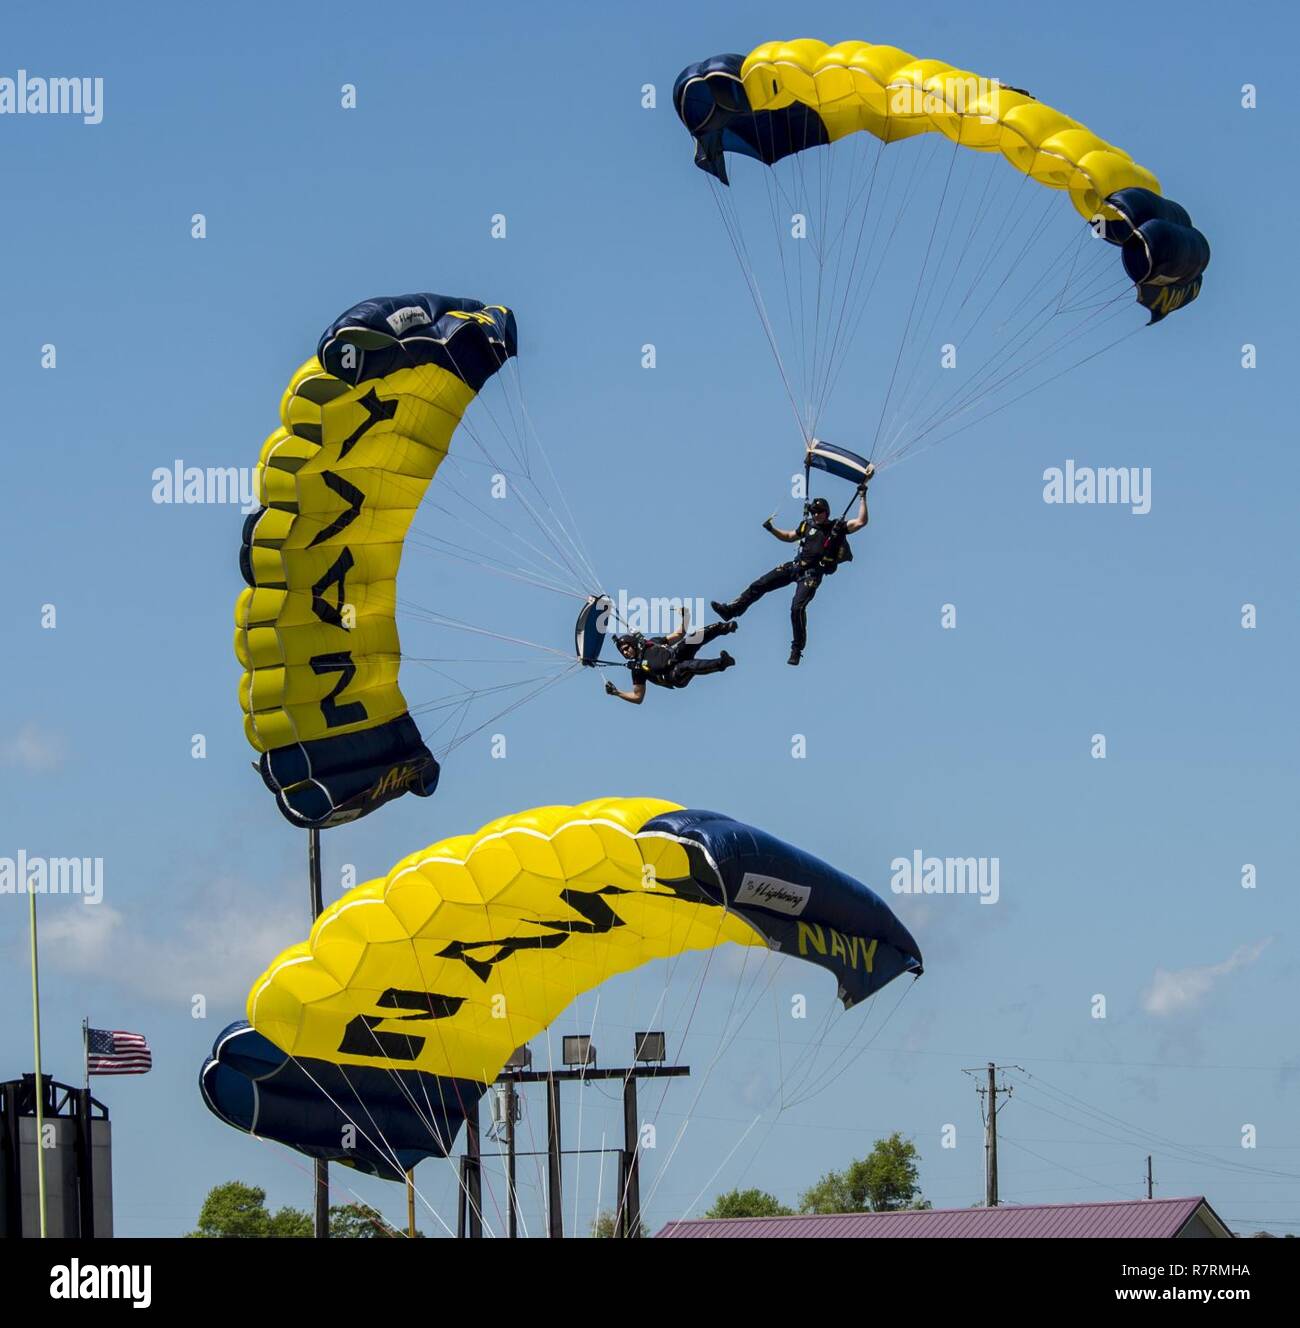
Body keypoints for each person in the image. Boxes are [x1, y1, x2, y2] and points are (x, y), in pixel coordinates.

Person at [711, 465, 873, 666]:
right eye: (813, 512)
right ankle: (731, 610)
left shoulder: (837, 527)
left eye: (819, 512)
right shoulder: (807, 525)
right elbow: (789, 536)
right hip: (795, 566)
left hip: (812, 574)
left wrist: (862, 497)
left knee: (797, 608)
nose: (815, 515)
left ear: (826, 513)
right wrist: (772, 529)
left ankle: (796, 649)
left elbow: (861, 521)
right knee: (760, 584)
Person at [604, 607, 737, 704]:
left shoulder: (653, 642)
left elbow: (679, 634)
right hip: (673, 675)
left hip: (676, 655)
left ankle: (725, 627)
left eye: (626, 649)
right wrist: (617, 693)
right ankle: (722, 663)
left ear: (633, 644)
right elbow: (638, 697)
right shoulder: (637, 669)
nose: (625, 653)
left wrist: (686, 617)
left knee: (692, 639)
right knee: (687, 666)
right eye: (622, 652)